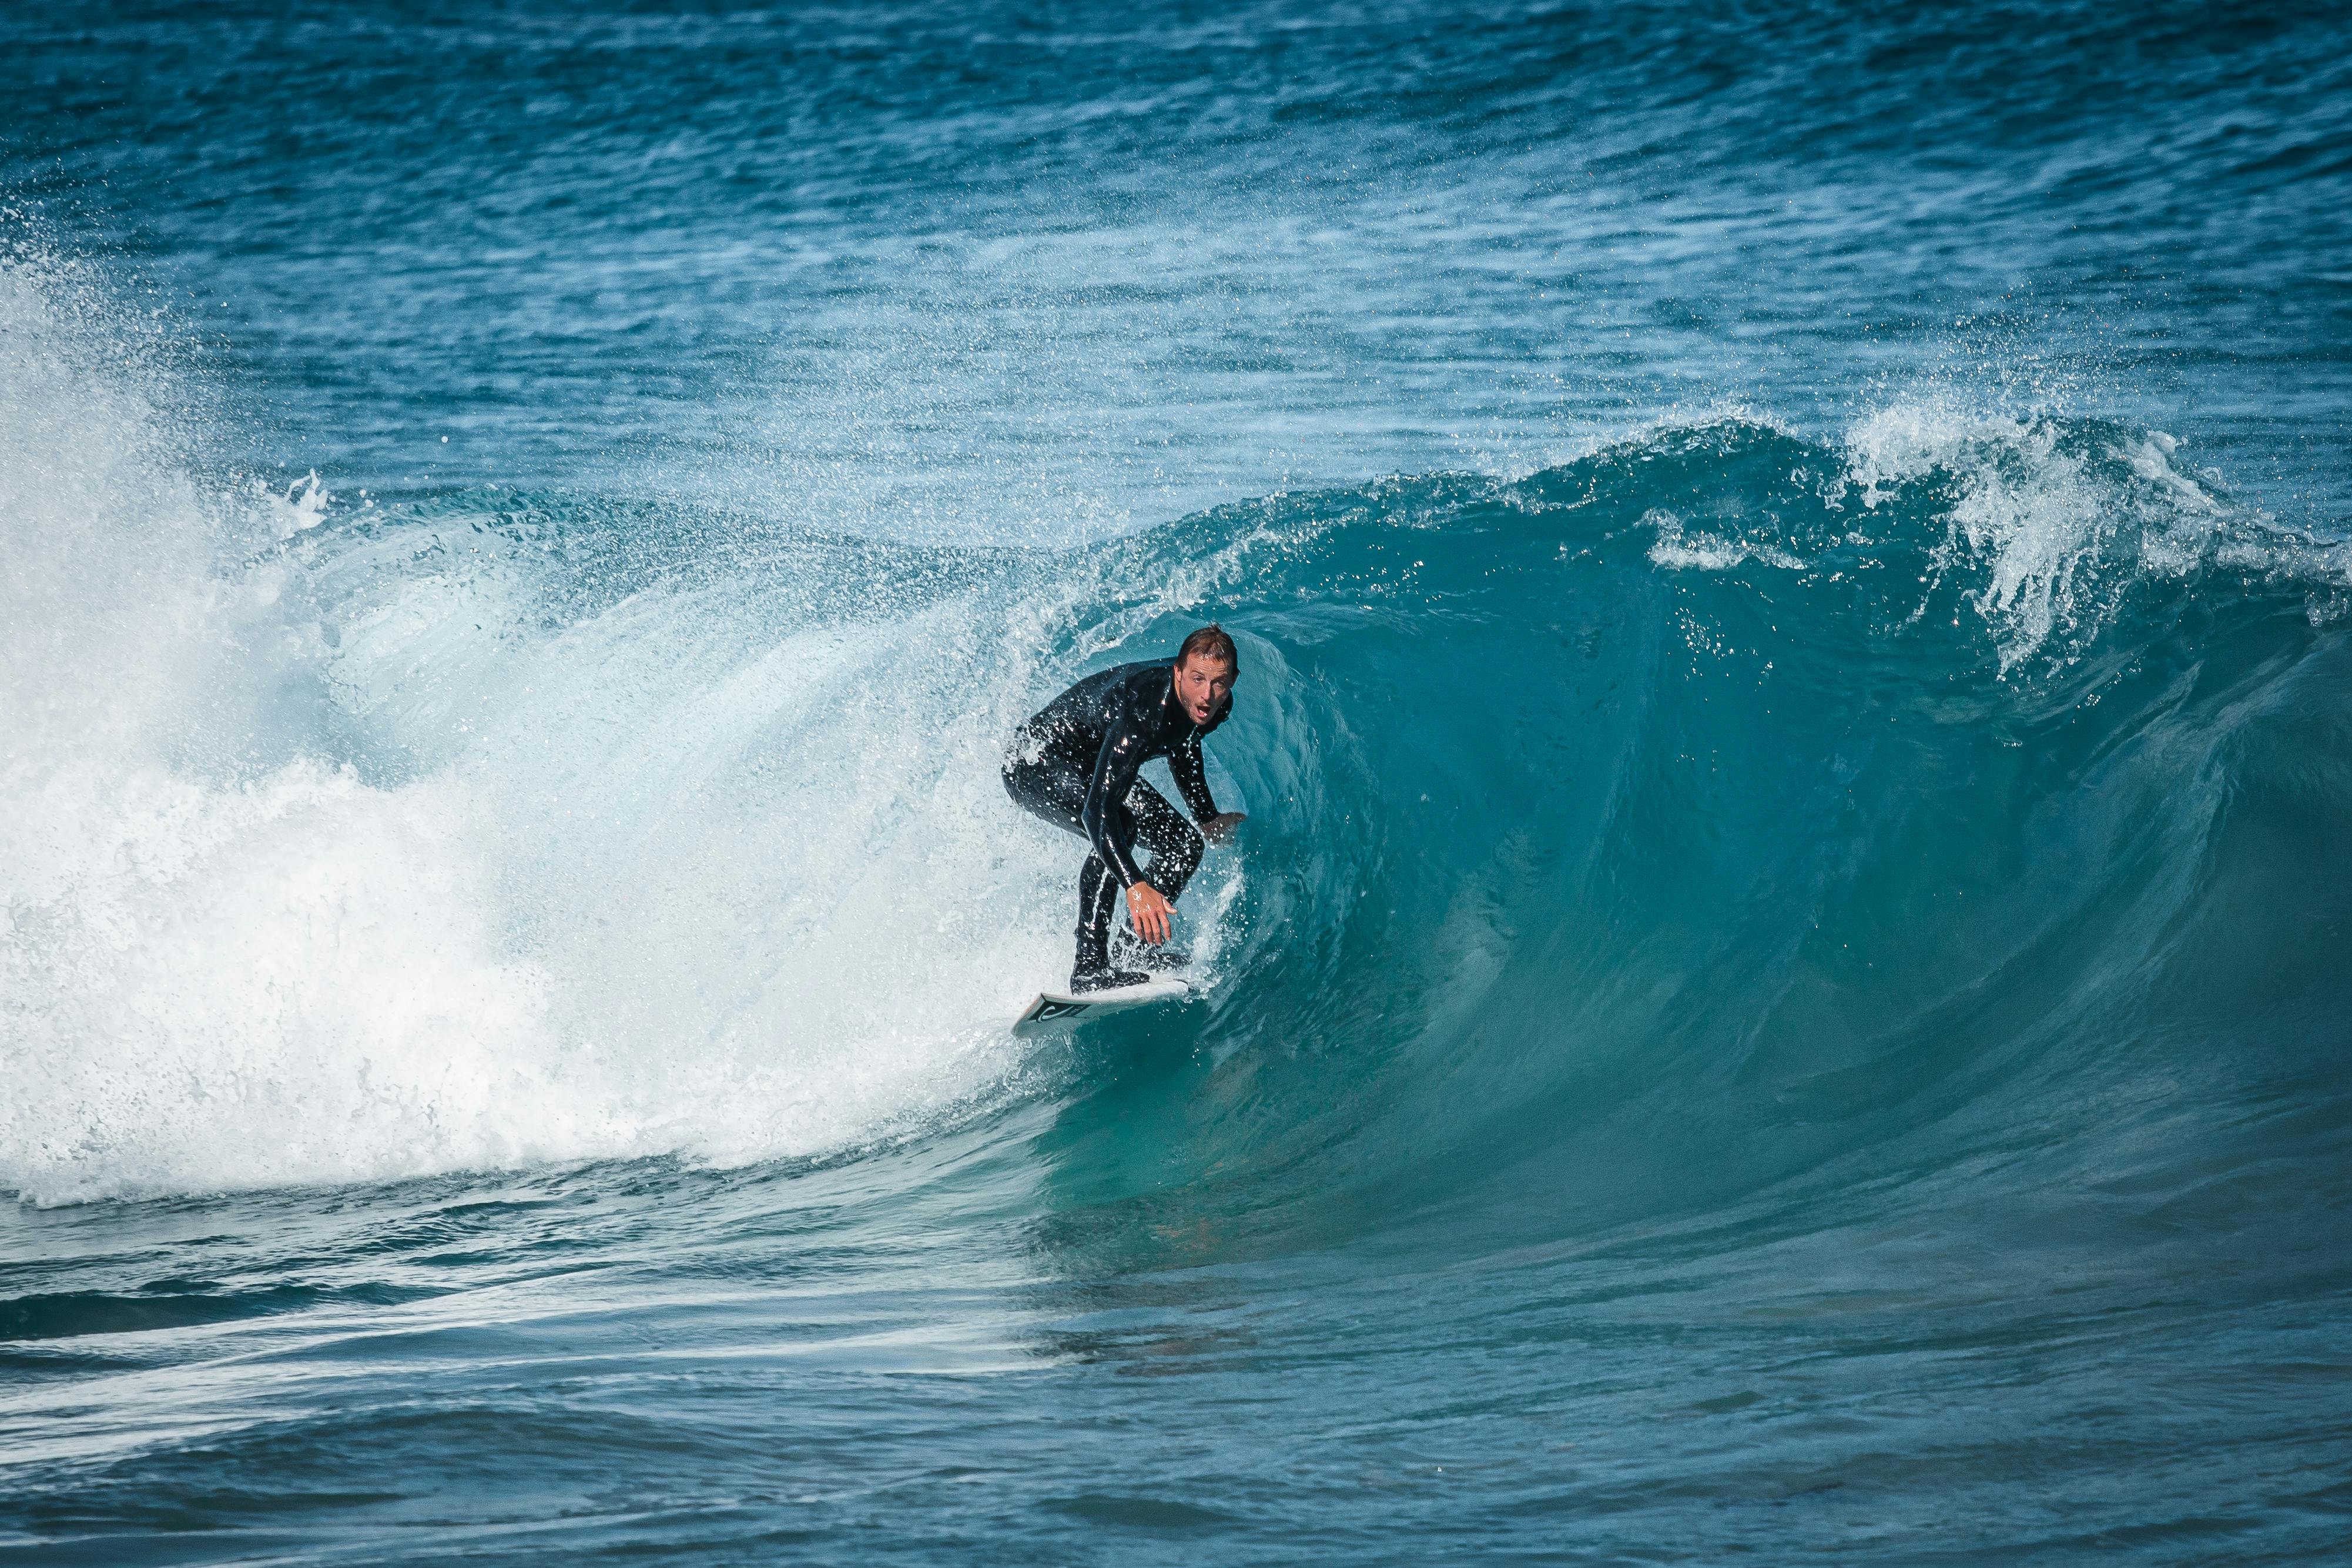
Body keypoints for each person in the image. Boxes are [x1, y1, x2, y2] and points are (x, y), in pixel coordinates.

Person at [1003, 625, 1247, 992]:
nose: (1207, 695)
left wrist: (1206, 817)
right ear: (1178, 673)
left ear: (1232, 680)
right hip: (1035, 760)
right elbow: (1096, 812)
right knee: (1120, 824)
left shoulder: (1214, 703)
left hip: (1090, 760)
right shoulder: (1145, 711)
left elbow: (1183, 741)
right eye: (1197, 679)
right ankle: (1090, 967)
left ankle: (1134, 950)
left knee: (1183, 843)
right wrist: (1135, 884)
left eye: (1219, 683)